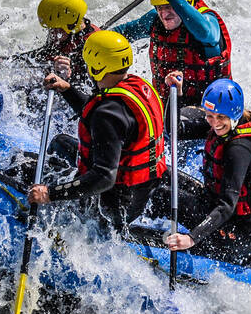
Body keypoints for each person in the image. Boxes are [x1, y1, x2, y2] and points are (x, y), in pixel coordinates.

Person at [27, 31, 166, 231]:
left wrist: (50, 194)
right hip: (140, 190)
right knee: (61, 142)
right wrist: (68, 90)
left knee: (27, 171)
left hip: (113, 208)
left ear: (97, 68)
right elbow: (104, 116)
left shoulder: (108, 113)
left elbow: (104, 177)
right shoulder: (137, 86)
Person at [161, 75, 251, 265]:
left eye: (221, 117)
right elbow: (174, 129)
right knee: (162, 172)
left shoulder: (239, 149)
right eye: (210, 116)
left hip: (241, 235)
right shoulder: (226, 124)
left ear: (234, 114)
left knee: (162, 196)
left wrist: (191, 238)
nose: (215, 123)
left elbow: (226, 206)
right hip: (220, 207)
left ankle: (125, 235)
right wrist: (176, 94)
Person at [112, 0, 231, 107]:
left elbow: (206, 33)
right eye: (159, 8)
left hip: (210, 109)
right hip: (168, 105)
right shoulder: (154, 19)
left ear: (184, 4)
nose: (164, 14)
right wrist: (95, 37)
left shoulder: (207, 20)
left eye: (169, 6)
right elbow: (123, 32)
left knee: (182, 121)